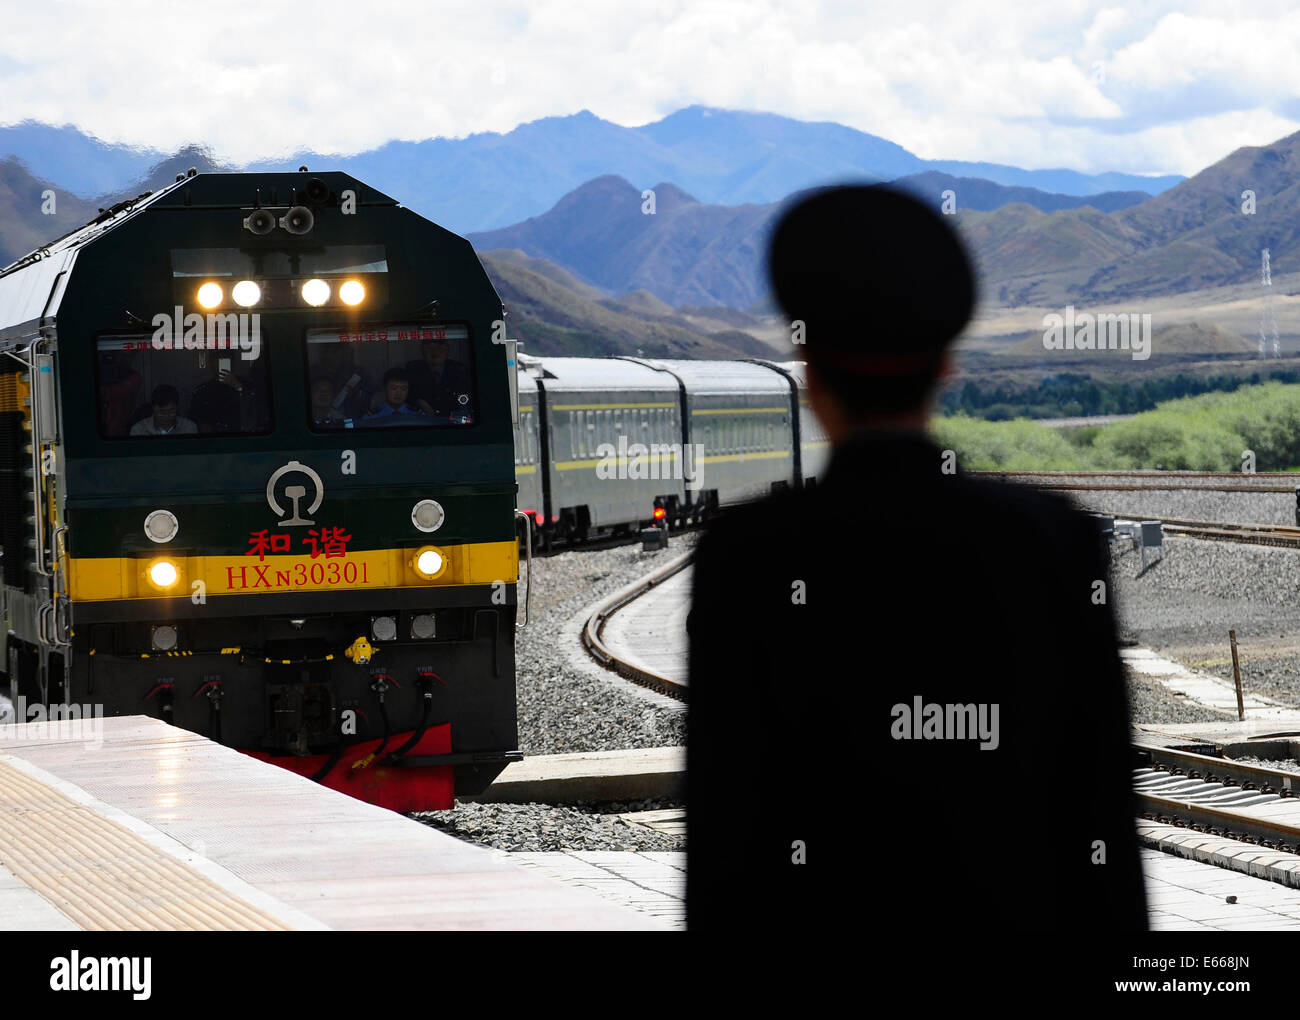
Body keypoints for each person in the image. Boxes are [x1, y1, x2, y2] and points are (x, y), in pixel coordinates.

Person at [686, 185, 1146, 934]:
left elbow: (727, 853)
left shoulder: (748, 559)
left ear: (808, 374)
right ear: (946, 368)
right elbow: (1102, 841)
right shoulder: (1055, 545)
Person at [405, 338, 471, 417]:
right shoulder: (413, 370)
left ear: (447, 350)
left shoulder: (459, 371)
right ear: (423, 351)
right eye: (429, 348)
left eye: (439, 348)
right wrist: (417, 402)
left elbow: (465, 400)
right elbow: (407, 397)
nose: (435, 352)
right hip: (423, 420)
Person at [190, 361, 255, 433]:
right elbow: (197, 420)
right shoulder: (203, 390)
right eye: (216, 360)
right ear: (211, 364)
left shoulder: (246, 386)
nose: (219, 364)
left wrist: (238, 387)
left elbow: (254, 409)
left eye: (224, 359)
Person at [99, 349, 142, 436]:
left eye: (127, 357)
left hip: (118, 426)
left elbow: (111, 393)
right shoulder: (100, 373)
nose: (121, 359)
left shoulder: (134, 377)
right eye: (119, 356)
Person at [129, 384, 197, 436]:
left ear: (177, 408)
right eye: (161, 411)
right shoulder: (139, 430)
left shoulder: (189, 428)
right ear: (153, 408)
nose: (166, 415)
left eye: (171, 411)